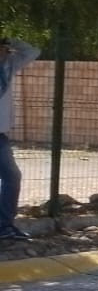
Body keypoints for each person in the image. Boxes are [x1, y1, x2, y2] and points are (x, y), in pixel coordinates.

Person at [0, 36, 42, 241]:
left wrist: (13, 41)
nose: (4, 53)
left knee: (12, 176)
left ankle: (4, 226)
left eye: (5, 49)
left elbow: (32, 52)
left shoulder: (8, 67)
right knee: (11, 176)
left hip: (0, 135)